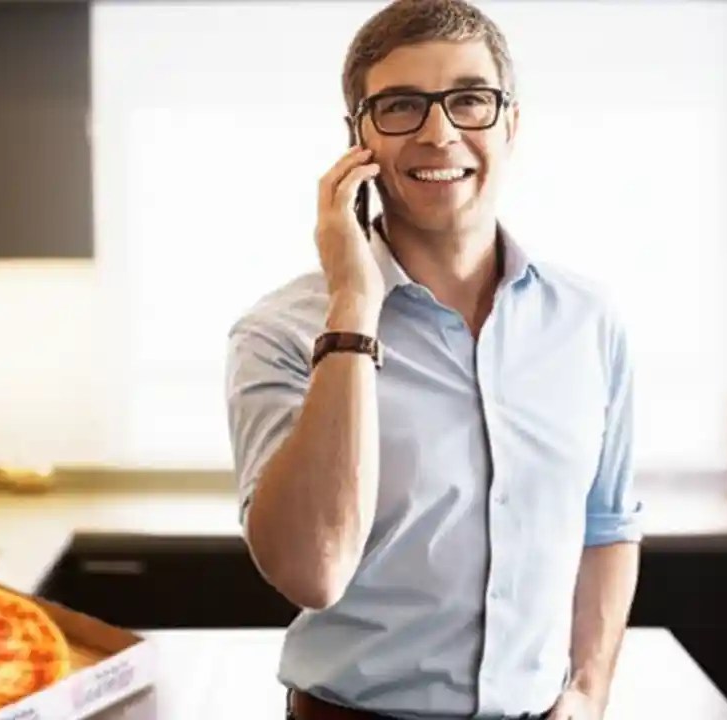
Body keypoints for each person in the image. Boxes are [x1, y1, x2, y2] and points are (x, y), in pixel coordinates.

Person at [223, 1, 643, 719]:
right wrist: (353, 305)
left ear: (510, 124)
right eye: (401, 107)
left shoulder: (587, 320)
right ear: (357, 141)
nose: (439, 132)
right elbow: (312, 571)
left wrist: (590, 691)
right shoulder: (281, 333)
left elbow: (607, 524)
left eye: (470, 100)